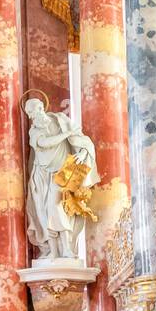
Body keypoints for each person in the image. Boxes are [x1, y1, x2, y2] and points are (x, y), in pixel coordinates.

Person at [24, 99, 98, 261]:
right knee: (44, 213)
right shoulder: (34, 131)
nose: (30, 116)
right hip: (42, 175)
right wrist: (65, 135)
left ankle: (67, 248)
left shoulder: (61, 120)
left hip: (63, 174)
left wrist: (83, 154)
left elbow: (83, 142)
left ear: (41, 108)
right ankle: (54, 251)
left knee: (55, 207)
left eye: (32, 111)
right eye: (28, 114)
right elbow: (44, 143)